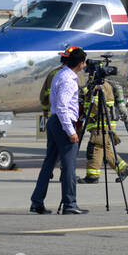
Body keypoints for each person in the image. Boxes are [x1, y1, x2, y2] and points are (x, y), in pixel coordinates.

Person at [31, 46, 90, 215]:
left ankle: (37, 201)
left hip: (54, 121)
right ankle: (70, 203)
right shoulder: (69, 80)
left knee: (49, 163)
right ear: (80, 64)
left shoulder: (59, 74)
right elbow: (63, 107)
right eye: (84, 62)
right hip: (63, 123)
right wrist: (71, 131)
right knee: (69, 166)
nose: (85, 65)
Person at [79, 77, 128, 185]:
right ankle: (123, 169)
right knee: (105, 148)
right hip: (105, 123)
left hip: (101, 124)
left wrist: (86, 111)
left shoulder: (99, 86)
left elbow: (95, 106)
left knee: (95, 147)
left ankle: (92, 176)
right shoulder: (102, 85)